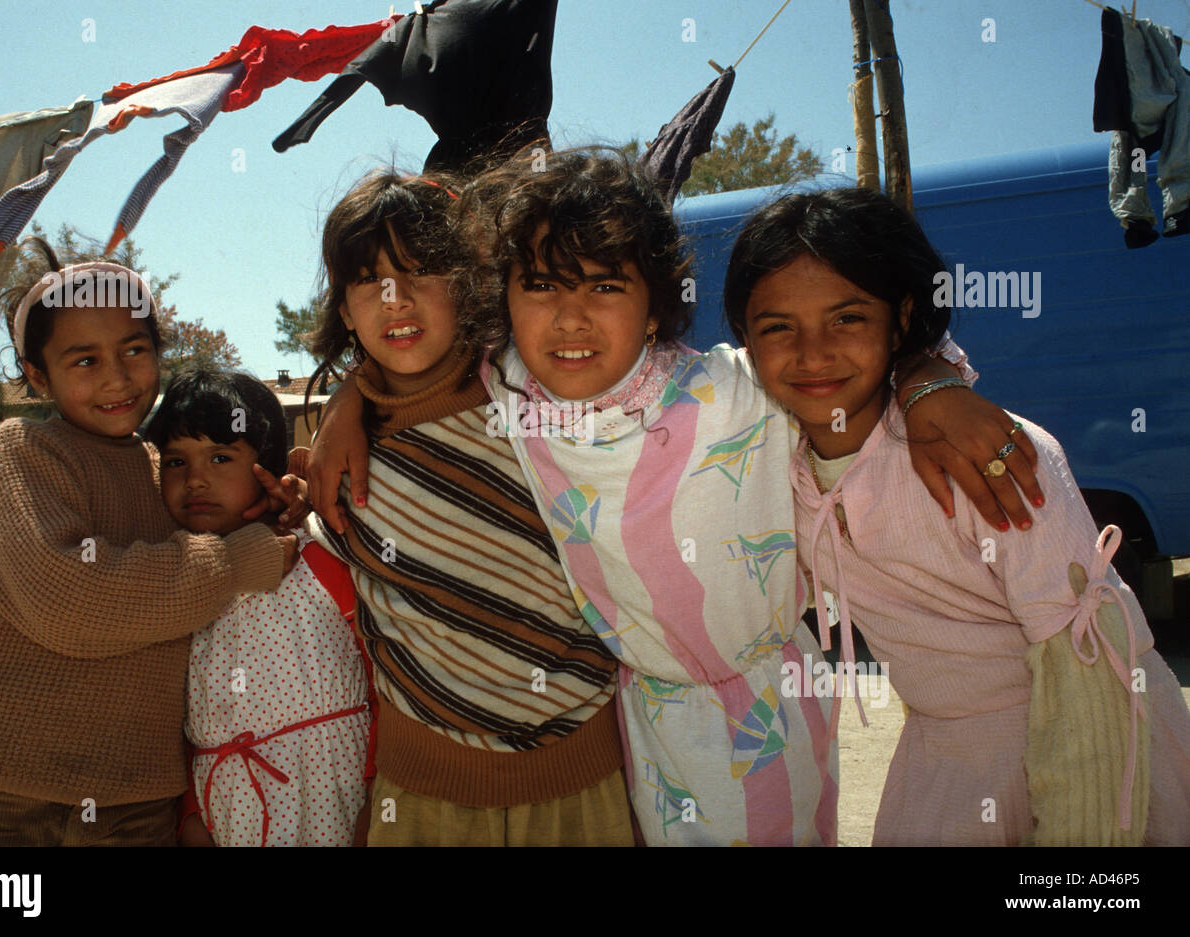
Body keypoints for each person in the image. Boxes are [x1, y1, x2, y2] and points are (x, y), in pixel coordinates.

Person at [314, 147, 1044, 845]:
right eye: (541, 285)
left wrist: (928, 377)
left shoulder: (735, 392)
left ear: (657, 305)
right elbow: (404, 348)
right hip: (638, 719)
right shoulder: (510, 383)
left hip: (766, 707)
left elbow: (835, 360)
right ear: (504, 299)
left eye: (605, 285)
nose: (570, 317)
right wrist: (347, 398)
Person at [733, 186, 1190, 845]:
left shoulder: (990, 457)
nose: (813, 351)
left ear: (902, 317)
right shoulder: (774, 470)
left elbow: (1084, 669)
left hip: (1092, 744)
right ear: (745, 340)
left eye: (848, 319)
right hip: (944, 759)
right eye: (778, 326)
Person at [0, 240, 296, 846]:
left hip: (136, 800)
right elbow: (70, 602)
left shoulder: (167, 470)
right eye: (85, 361)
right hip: (3, 790)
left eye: (133, 350)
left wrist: (278, 507)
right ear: (38, 374)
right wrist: (235, 561)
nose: (118, 378)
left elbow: (245, 531)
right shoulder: (24, 453)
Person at [302, 170, 633, 846]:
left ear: (468, 282)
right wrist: (350, 398)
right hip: (424, 790)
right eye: (370, 281)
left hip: (582, 774)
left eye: (423, 271)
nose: (397, 300)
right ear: (344, 310)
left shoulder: (530, 392)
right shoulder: (341, 456)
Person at [148, 368, 373, 847]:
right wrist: (189, 813)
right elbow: (173, 718)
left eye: (221, 457)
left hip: (335, 797)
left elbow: (384, 684)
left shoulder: (322, 555)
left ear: (267, 467)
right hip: (225, 814)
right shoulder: (173, 579)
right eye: (175, 462)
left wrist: (375, 796)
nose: (195, 480)